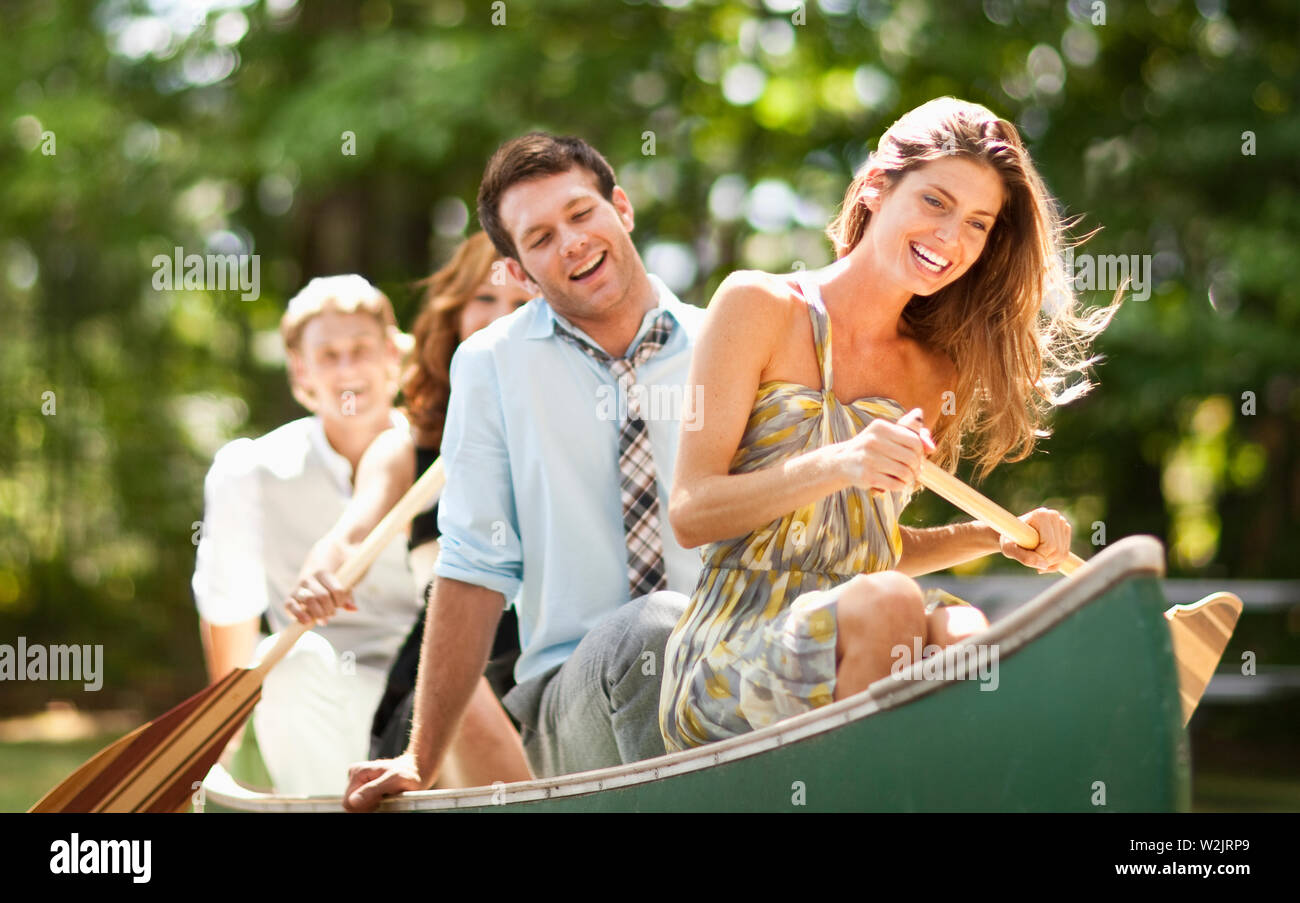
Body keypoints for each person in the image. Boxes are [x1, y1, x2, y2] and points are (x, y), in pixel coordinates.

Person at [659, 97, 1118, 751]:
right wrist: (839, 462)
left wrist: (996, 535)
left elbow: (866, 544)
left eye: (978, 223)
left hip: (865, 625)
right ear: (876, 186)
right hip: (735, 642)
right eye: (935, 201)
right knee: (894, 601)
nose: (951, 238)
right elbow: (690, 510)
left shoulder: (936, 374)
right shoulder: (757, 305)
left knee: (965, 638)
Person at [341, 132, 707, 812]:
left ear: (620, 208)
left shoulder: (724, 341)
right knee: (656, 628)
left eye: (581, 213)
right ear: (517, 272)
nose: (569, 242)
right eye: (538, 239)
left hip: (733, 670)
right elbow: (473, 568)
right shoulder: (492, 365)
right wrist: (420, 757)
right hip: (575, 696)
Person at [285, 232, 536, 787]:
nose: (501, 319)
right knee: (462, 693)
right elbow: (350, 534)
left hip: (550, 665)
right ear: (453, 315)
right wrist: (322, 569)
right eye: (485, 300)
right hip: (451, 687)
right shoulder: (408, 446)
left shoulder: (580, 423)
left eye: (522, 304)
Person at [192, 275, 423, 795]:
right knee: (288, 658)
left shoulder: (444, 452)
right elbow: (229, 607)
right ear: (302, 372)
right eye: (329, 355)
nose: (347, 369)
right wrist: (218, 743)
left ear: (392, 355)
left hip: (434, 694)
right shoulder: (249, 469)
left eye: (361, 349)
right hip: (319, 698)